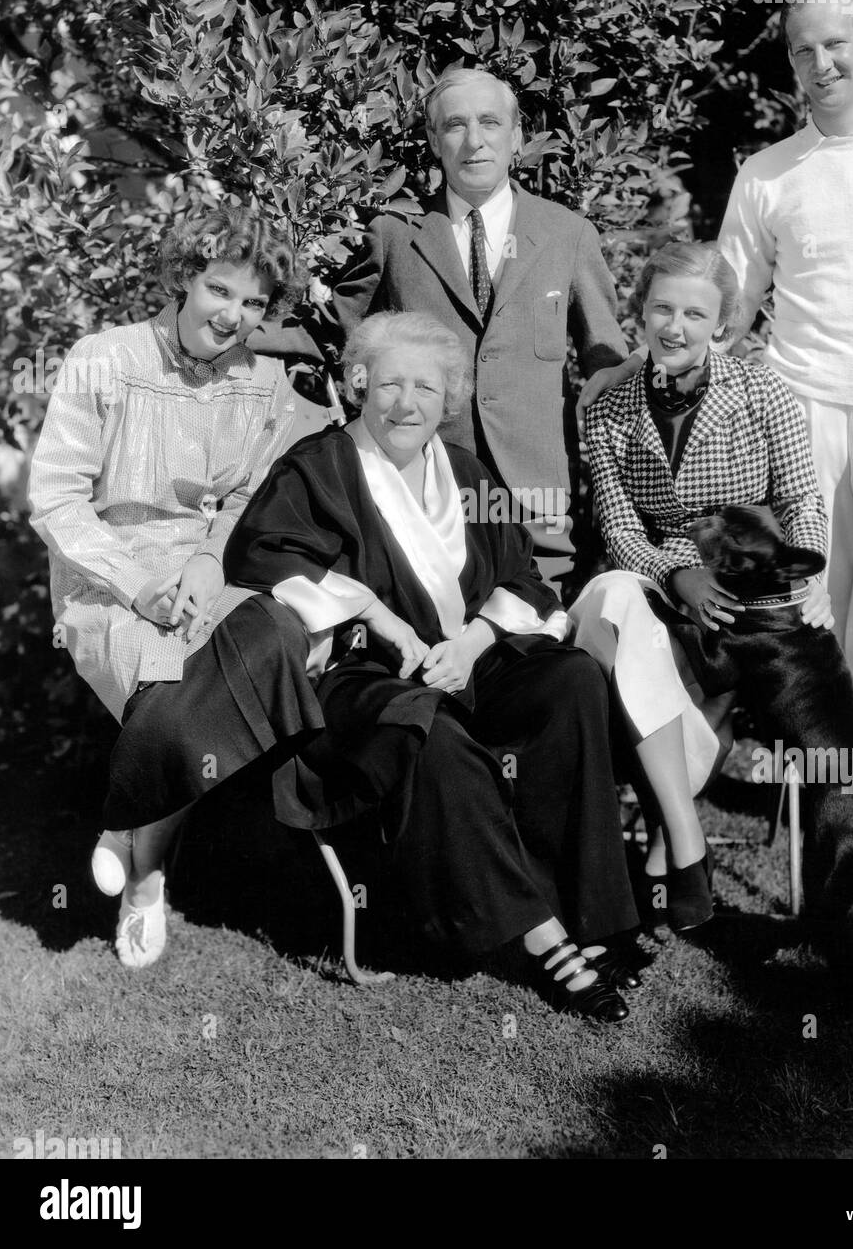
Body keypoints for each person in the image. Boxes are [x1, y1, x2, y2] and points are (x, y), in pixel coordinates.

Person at [580, 0, 853, 836]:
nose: (819, 61)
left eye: (835, 42)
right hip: (799, 406)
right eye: (802, 49)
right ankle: (838, 775)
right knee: (811, 605)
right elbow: (728, 305)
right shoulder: (768, 174)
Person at [222, 311, 642, 1020]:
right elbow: (260, 554)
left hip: (465, 658)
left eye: (424, 387)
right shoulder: (319, 467)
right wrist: (374, 615)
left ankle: (593, 914)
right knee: (430, 729)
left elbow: (522, 580)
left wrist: (475, 641)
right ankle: (544, 937)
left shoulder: (466, 472)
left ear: (448, 398)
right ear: (358, 384)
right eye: (388, 383)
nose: (405, 403)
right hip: (362, 679)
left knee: (569, 680)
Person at [28, 203, 308, 967]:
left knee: (276, 636)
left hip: (201, 576)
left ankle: (127, 820)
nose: (235, 316)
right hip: (104, 580)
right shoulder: (103, 357)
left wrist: (210, 559)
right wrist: (138, 586)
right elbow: (54, 498)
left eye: (254, 304)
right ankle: (147, 881)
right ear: (186, 277)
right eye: (221, 291)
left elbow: (247, 495)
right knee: (170, 681)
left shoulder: (264, 378)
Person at [255, 68, 628, 594]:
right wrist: (229, 333)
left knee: (538, 632)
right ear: (434, 140)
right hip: (426, 478)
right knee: (439, 629)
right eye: (455, 125)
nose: (474, 140)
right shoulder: (394, 233)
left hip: (534, 493)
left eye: (490, 123)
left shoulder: (568, 235)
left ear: (517, 136)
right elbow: (335, 329)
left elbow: (607, 362)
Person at [570, 241, 833, 928]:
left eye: (694, 313)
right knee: (605, 599)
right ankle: (684, 837)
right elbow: (619, 529)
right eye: (660, 308)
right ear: (639, 312)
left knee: (687, 676)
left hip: (751, 587)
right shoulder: (607, 406)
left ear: (720, 323)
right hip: (661, 584)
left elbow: (803, 500)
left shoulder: (760, 389)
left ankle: (667, 834)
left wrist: (791, 575)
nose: (674, 327)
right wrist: (675, 573)